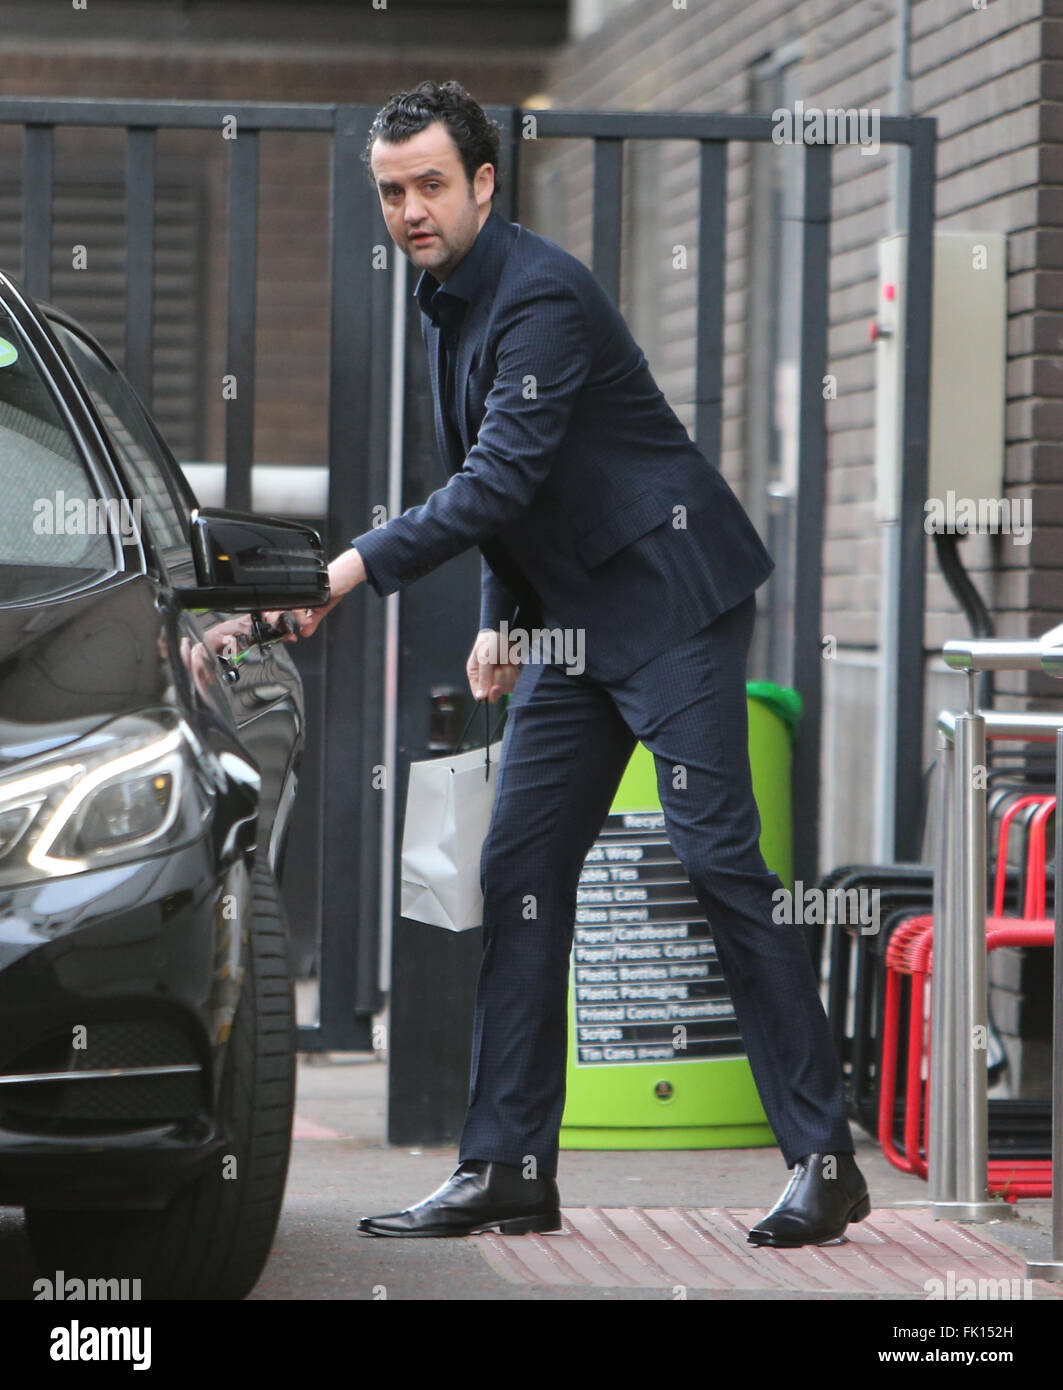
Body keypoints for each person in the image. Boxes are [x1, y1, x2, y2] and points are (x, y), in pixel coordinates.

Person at [282, 79, 869, 1248]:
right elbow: (519, 488)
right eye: (392, 191)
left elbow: (497, 476)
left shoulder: (540, 292)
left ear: (484, 184)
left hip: (670, 601)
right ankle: (505, 1165)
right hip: (572, 623)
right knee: (521, 869)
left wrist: (345, 570)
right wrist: (505, 613)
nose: (410, 210)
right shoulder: (440, 296)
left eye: (431, 186)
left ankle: (823, 1157)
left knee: (717, 865)